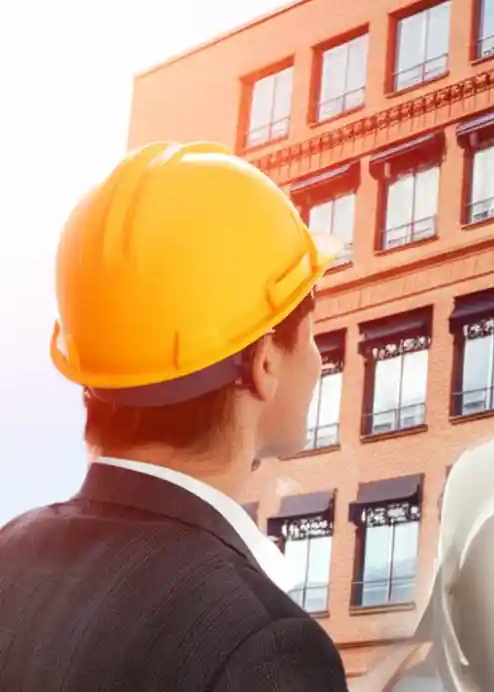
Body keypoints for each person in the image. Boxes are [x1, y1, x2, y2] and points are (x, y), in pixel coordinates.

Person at [0, 142, 350, 691]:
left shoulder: (9, 557)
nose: (319, 359)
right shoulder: (263, 645)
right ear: (262, 364)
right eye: (311, 336)